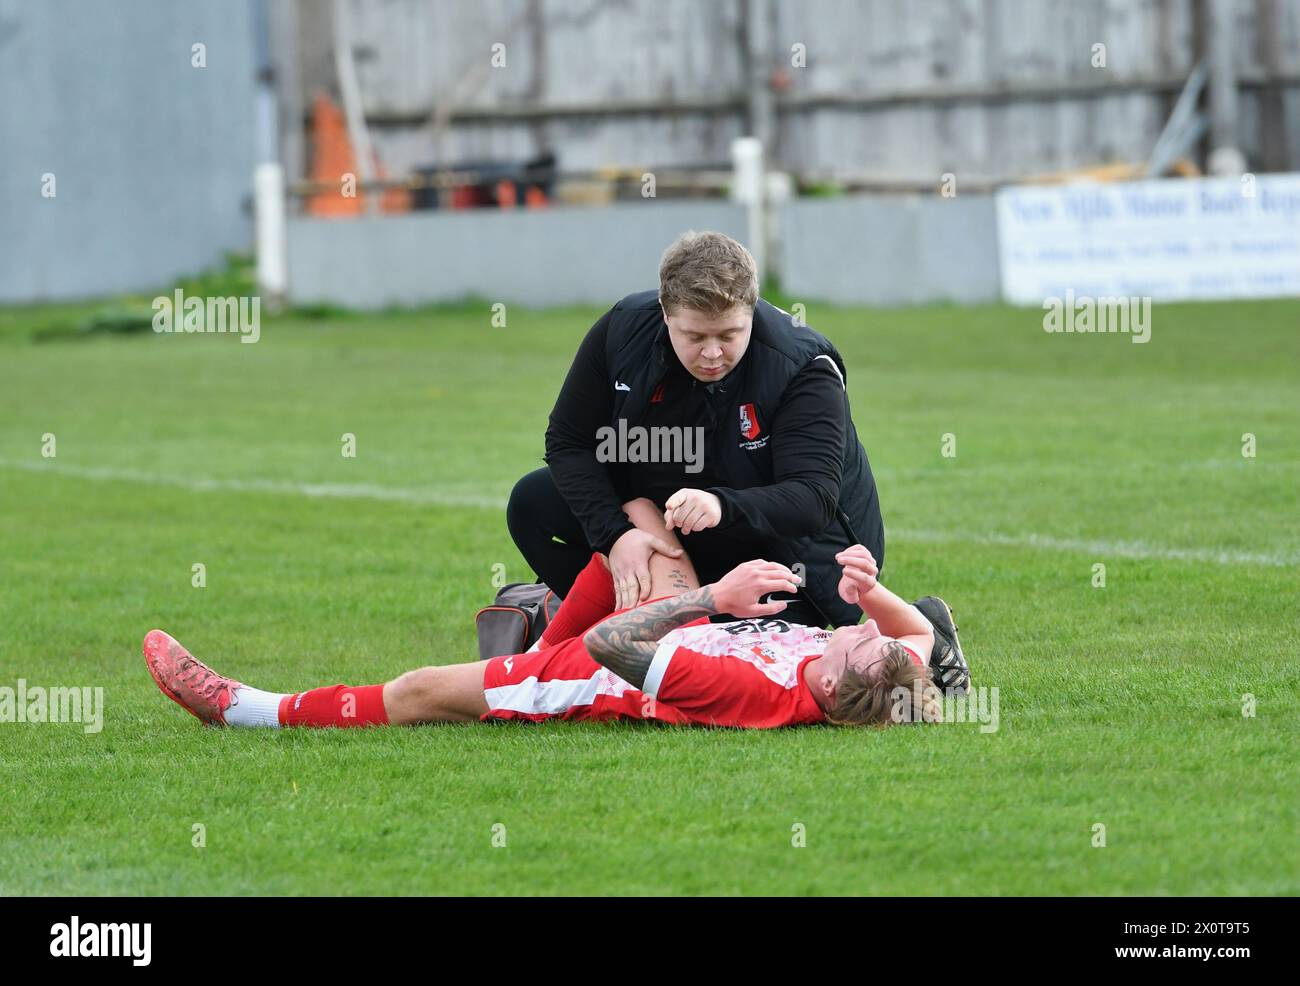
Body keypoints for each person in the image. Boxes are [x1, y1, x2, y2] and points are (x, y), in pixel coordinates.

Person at [143, 502, 970, 732]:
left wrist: (709, 600)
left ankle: (246, 711)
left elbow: (612, 647)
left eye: (854, 641)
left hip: (574, 671)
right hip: (656, 626)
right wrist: (870, 595)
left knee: (422, 690)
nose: (857, 630)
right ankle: (535, 603)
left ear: (829, 686)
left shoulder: (753, 698)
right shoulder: (856, 665)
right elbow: (917, 638)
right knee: (643, 529)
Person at [507, 230, 885, 629]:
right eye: (694, 336)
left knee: (731, 672)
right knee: (534, 503)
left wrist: (721, 506)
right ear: (665, 313)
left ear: (751, 311)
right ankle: (603, 618)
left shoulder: (802, 366)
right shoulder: (623, 331)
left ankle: (924, 625)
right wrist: (616, 536)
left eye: (728, 335)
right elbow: (570, 441)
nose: (712, 353)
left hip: (790, 556)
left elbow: (812, 498)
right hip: (676, 522)